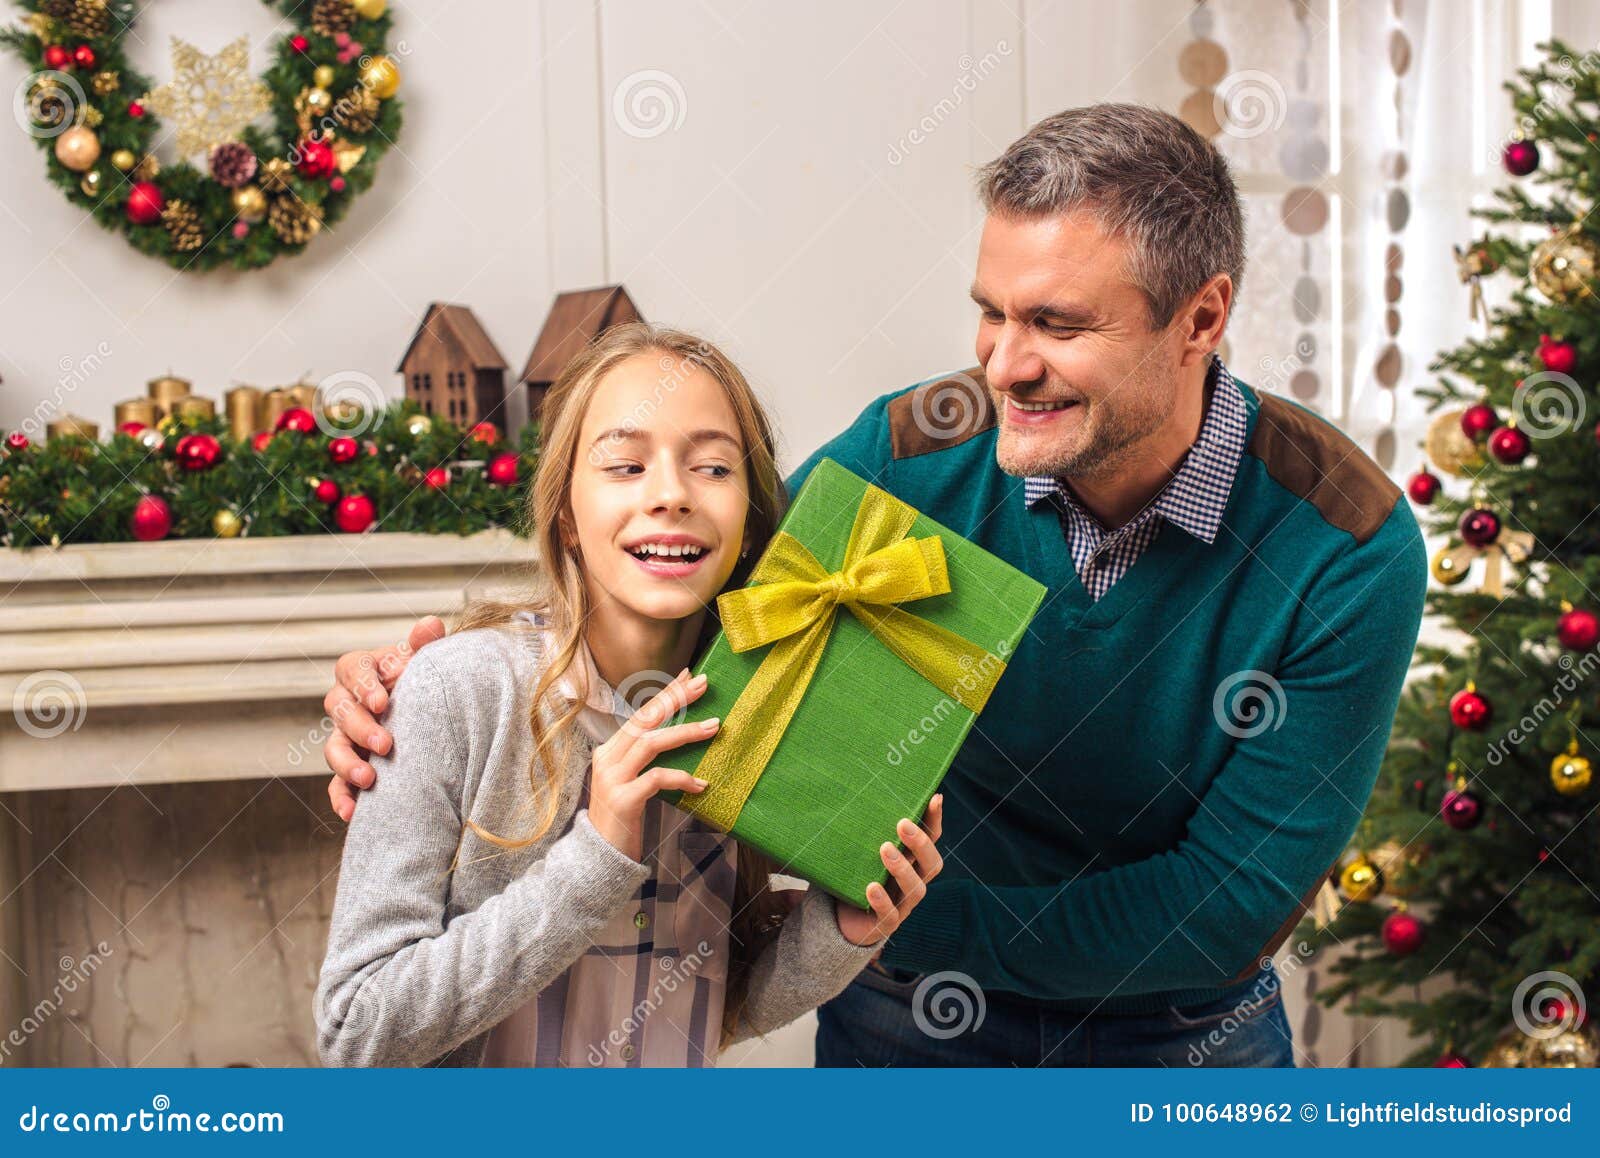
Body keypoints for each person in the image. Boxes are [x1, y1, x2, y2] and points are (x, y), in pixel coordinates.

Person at [320, 104, 1427, 1067]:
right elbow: (685, 594)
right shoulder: (910, 449)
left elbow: (1219, 909)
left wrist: (895, 924)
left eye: (1055, 323)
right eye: (991, 312)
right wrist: (437, 672)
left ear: (1199, 318)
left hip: (1177, 1038)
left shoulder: (1345, 543)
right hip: (904, 1029)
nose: (1000, 367)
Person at [316, 324, 944, 1067]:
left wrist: (838, 931)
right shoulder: (459, 692)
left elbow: (705, 1006)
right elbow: (356, 1033)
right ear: (564, 514)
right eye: (624, 465)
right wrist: (598, 852)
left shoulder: (754, 709)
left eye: (713, 467)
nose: (672, 494)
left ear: (748, 524)